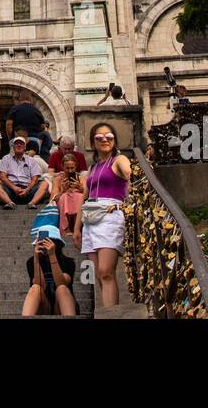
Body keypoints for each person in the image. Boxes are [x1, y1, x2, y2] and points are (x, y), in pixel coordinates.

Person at [74, 122, 131, 310]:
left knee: (106, 271)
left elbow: (130, 174)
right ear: (93, 142)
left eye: (109, 136)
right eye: (99, 137)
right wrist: (76, 228)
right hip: (90, 217)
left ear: (115, 140)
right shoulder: (93, 168)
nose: (105, 140)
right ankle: (108, 311)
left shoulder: (119, 159)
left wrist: (126, 199)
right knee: (98, 274)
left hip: (110, 213)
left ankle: (112, 314)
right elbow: (84, 198)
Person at [21, 223, 77, 317]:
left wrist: (52, 256)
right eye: (43, 241)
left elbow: (61, 283)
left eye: (49, 241)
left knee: (61, 289)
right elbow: (40, 284)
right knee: (35, 288)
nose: (45, 244)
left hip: (61, 305)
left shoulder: (68, 262)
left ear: (57, 244)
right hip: (43, 305)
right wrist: (36, 260)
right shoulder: (32, 262)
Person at [0, 137, 49, 209]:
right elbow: (3, 177)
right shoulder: (6, 158)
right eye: (16, 144)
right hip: (11, 189)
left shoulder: (31, 160)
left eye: (21, 144)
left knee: (45, 184)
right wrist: (14, 188)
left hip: (28, 190)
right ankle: (9, 203)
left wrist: (27, 189)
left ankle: (32, 203)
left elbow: (35, 179)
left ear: (25, 147)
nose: (19, 145)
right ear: (13, 147)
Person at [6, 90, 51, 158]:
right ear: (30, 99)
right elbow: (42, 127)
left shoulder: (15, 109)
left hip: (17, 140)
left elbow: (8, 124)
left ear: (20, 99)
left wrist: (11, 137)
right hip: (34, 141)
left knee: (13, 160)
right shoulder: (36, 110)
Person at [52, 153, 85, 235]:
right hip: (63, 198)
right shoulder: (57, 179)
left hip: (78, 197)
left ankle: (77, 226)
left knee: (79, 196)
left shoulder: (80, 178)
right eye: (67, 168)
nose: (70, 170)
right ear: (62, 167)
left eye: (72, 168)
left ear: (76, 166)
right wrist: (62, 190)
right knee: (64, 197)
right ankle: (66, 228)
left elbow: (88, 194)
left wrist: (80, 187)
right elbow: (53, 198)